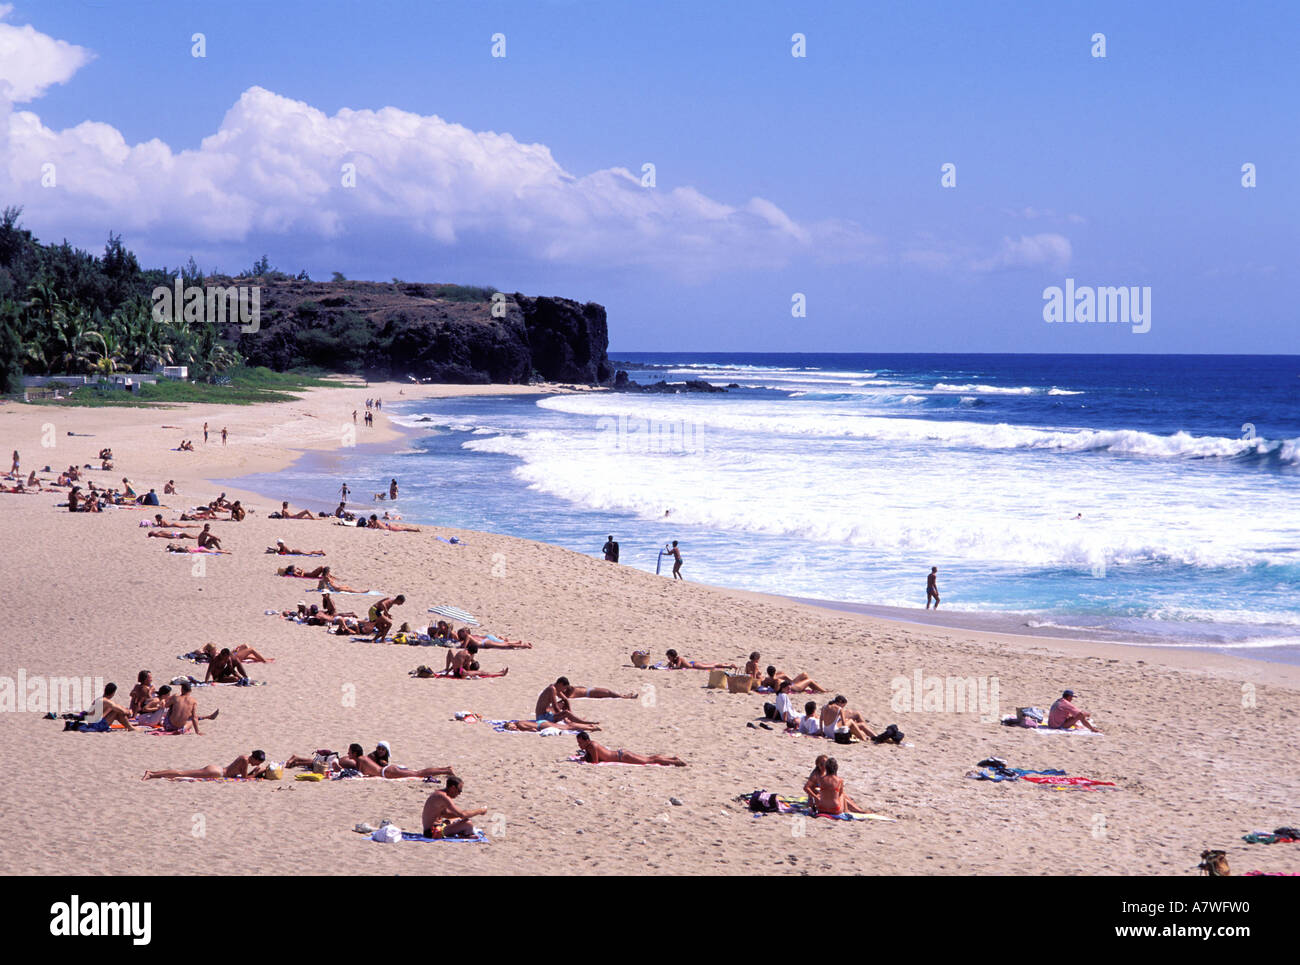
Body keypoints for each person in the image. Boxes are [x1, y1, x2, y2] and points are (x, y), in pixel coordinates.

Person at [421, 776, 487, 838]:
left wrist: (461, 817)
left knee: (456, 820)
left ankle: (462, 832)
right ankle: (465, 835)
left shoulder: (440, 794)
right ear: (453, 788)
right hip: (432, 832)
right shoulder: (444, 797)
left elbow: (445, 814)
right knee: (468, 823)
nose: (459, 793)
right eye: (459, 790)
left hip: (435, 828)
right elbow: (462, 814)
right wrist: (480, 811)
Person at [574, 731, 686, 766]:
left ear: (587, 741)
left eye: (580, 742)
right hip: (621, 754)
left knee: (649, 760)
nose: (579, 745)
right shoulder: (591, 745)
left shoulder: (592, 746)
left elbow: (595, 761)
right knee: (649, 758)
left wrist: (585, 760)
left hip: (622, 757)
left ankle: (676, 762)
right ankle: (672, 758)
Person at [143, 751, 269, 781]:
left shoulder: (244, 758)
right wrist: (257, 773)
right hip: (217, 773)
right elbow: (245, 778)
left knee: (183, 772)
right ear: (256, 759)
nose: (258, 764)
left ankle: (153, 772)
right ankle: (152, 774)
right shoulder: (245, 761)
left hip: (217, 768)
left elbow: (241, 774)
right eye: (259, 763)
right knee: (182, 773)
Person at [664, 649, 736, 671]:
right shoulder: (674, 660)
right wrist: (670, 664)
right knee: (710, 665)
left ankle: (728, 665)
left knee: (712, 666)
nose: (668, 659)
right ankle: (726, 665)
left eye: (669, 657)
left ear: (673, 656)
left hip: (694, 665)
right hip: (692, 664)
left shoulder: (679, 658)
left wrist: (672, 667)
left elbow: (678, 667)